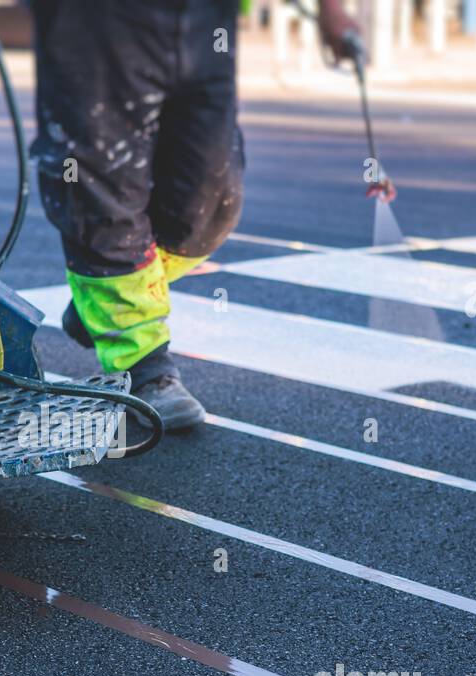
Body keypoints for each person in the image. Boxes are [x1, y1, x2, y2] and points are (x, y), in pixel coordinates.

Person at [29, 0, 362, 430]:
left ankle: (104, 300)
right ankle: (144, 368)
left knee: (211, 199)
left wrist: (332, 8)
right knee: (101, 190)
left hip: (206, 16)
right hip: (94, 18)